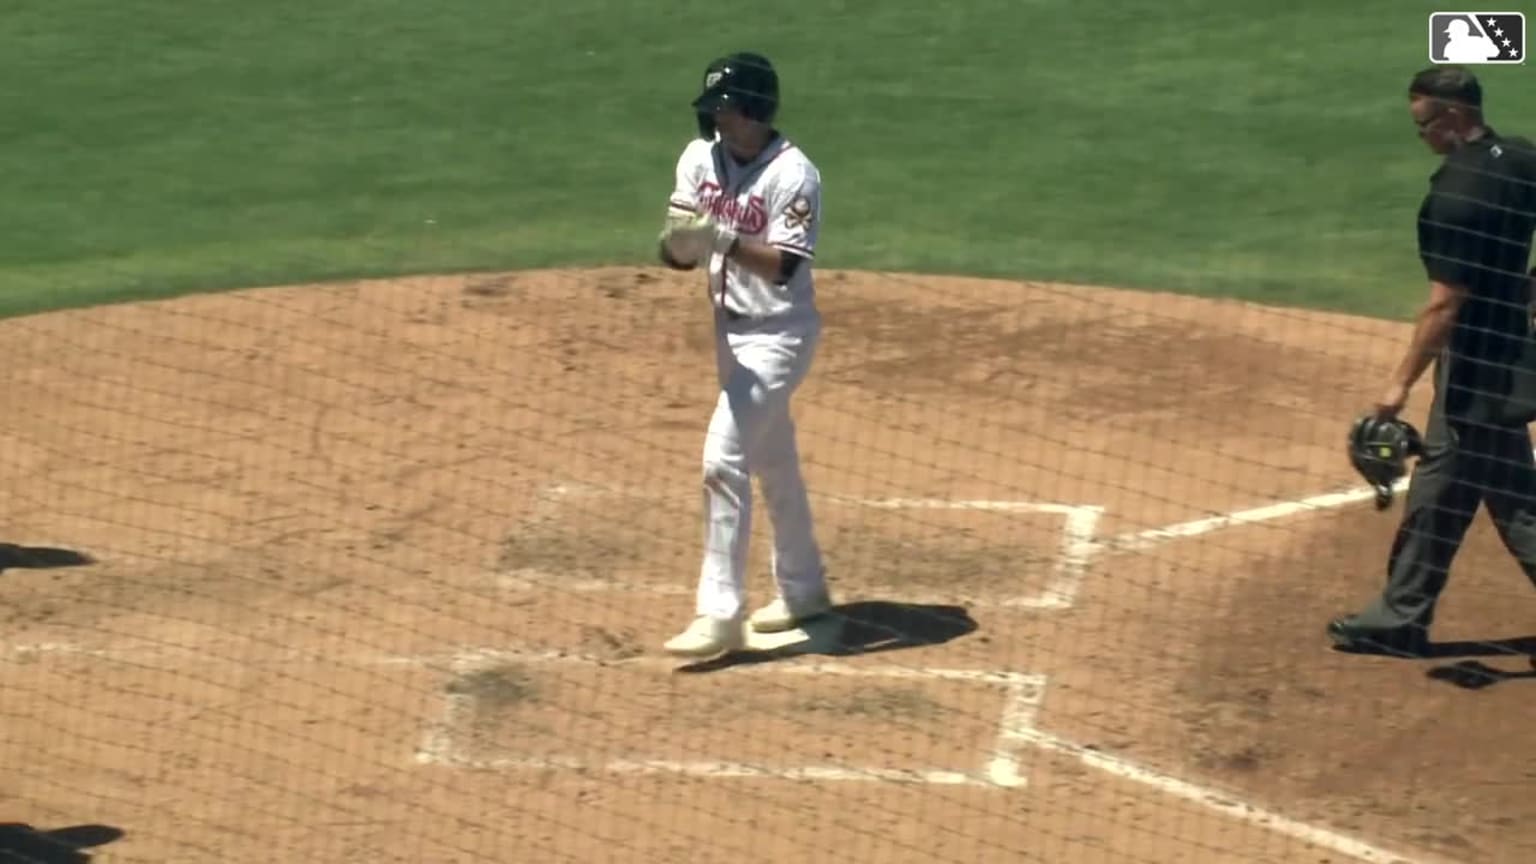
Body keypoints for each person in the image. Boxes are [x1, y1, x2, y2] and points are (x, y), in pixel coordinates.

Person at [1329, 66, 1536, 656]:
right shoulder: (1519, 158)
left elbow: (1443, 306)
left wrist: (1396, 388)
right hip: (1513, 347)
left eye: (1423, 124)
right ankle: (1400, 616)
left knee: (1517, 502)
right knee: (1442, 486)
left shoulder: (1455, 196)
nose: (1419, 135)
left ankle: (1400, 616)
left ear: (1452, 116)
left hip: (1479, 368)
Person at [654, 52, 833, 658]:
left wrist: (722, 239)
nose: (717, 121)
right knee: (772, 459)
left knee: (722, 458)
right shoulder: (697, 158)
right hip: (726, 332)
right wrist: (682, 244)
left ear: (756, 110)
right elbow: (679, 255)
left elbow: (784, 266)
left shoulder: (795, 175)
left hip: (780, 336)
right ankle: (804, 588)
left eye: (726, 110)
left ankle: (720, 612)